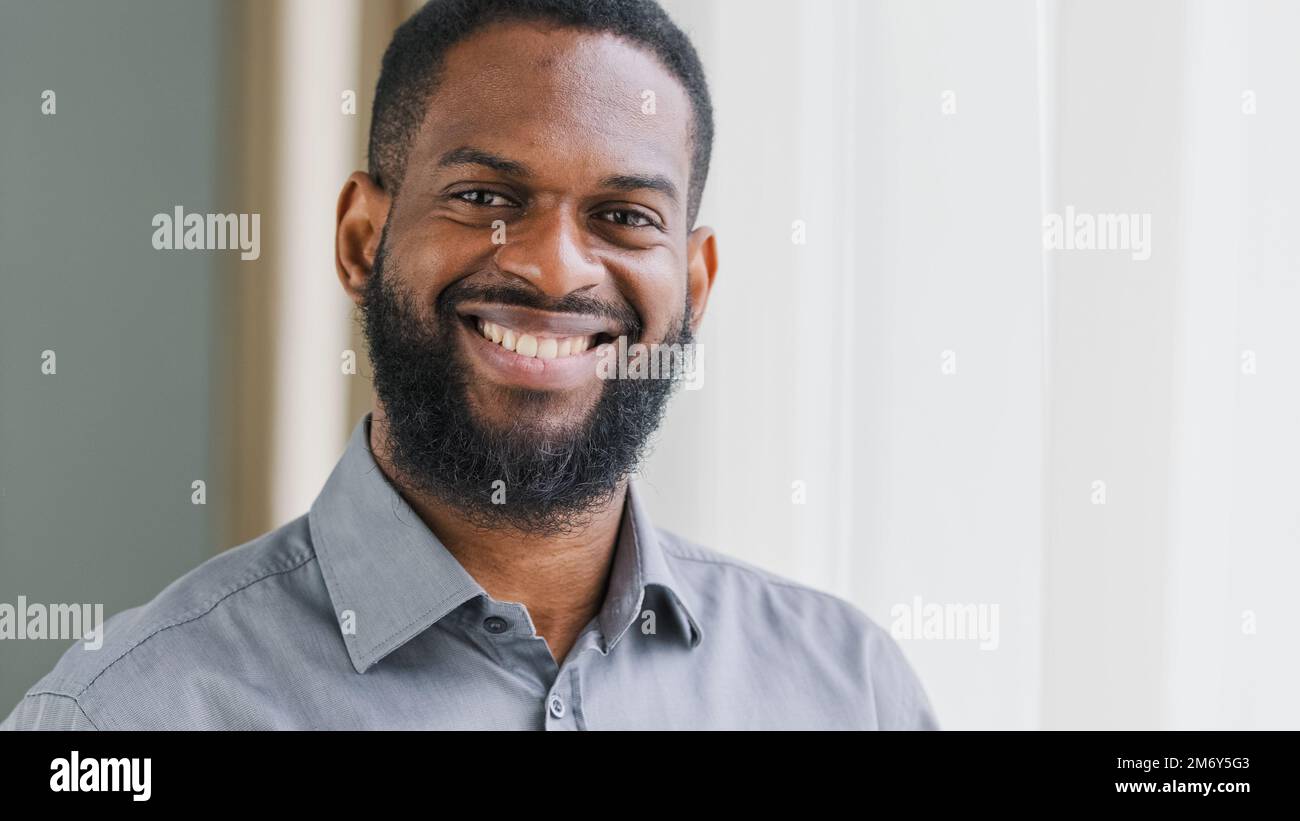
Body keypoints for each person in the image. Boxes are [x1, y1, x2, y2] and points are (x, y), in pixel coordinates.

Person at [2, 0, 937, 730]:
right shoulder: (124, 719)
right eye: (485, 195)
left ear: (694, 282)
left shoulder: (850, 691)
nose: (554, 266)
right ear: (362, 239)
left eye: (624, 216)